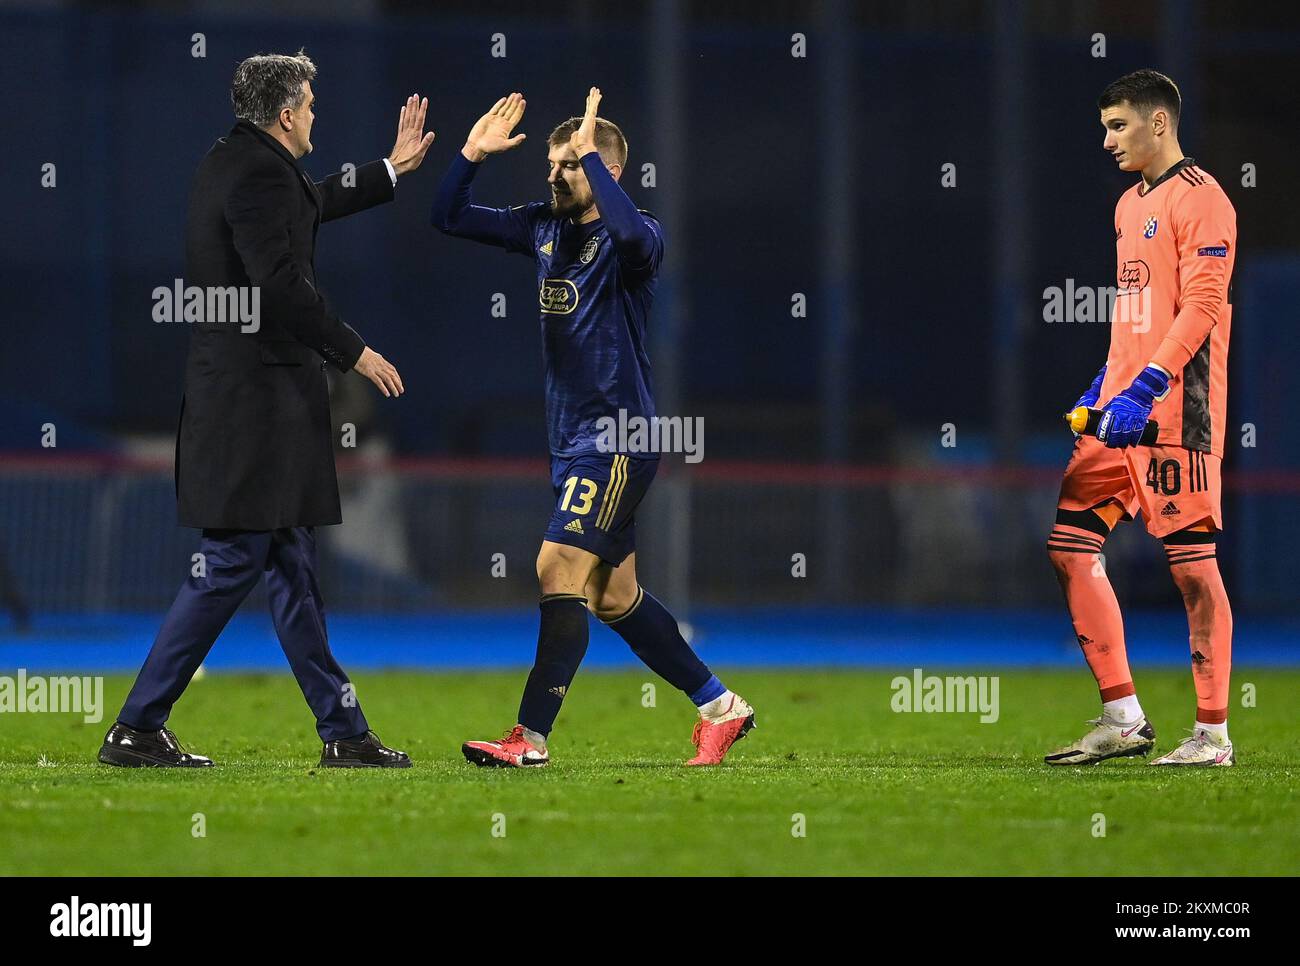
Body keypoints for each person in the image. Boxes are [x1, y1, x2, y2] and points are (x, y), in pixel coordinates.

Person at [99, 51, 433, 768]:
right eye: (310, 105)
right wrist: (354, 351)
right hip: (255, 403)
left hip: (257, 398)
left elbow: (310, 201)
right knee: (232, 560)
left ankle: (343, 733)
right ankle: (136, 725)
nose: (315, 115)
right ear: (286, 114)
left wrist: (390, 169)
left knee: (290, 567)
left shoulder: (239, 162)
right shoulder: (255, 172)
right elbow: (278, 282)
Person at [431, 89, 755, 768]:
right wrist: (470, 154)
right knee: (614, 596)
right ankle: (720, 707)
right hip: (573, 441)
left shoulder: (636, 237)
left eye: (570, 165)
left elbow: (633, 234)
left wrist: (593, 162)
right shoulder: (540, 228)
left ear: (605, 171)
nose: (555, 174)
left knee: (555, 568)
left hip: (617, 440)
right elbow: (447, 217)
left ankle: (529, 738)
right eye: (552, 162)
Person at [1046, 69, 1237, 767]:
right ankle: (1122, 717)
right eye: (1105, 127)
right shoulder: (1129, 205)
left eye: (1119, 125)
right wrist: (1104, 385)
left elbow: (1203, 305)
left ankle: (1213, 735)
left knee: (1191, 567)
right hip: (1118, 414)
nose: (1108, 140)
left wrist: (1147, 386)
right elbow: (1135, 310)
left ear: (1160, 123)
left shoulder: (1204, 200)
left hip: (1173, 412)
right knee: (1070, 546)